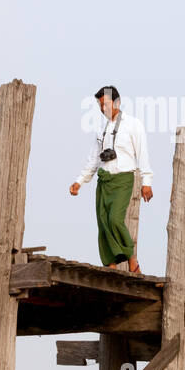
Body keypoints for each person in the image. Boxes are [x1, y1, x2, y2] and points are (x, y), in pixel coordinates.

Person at [69, 85, 153, 272]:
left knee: (115, 219)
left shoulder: (133, 124)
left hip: (123, 178)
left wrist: (147, 182)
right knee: (103, 221)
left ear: (116, 102)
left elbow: (143, 155)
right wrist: (79, 181)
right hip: (104, 179)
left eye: (105, 104)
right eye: (100, 105)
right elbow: (93, 159)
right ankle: (111, 265)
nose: (102, 109)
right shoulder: (102, 130)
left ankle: (132, 259)